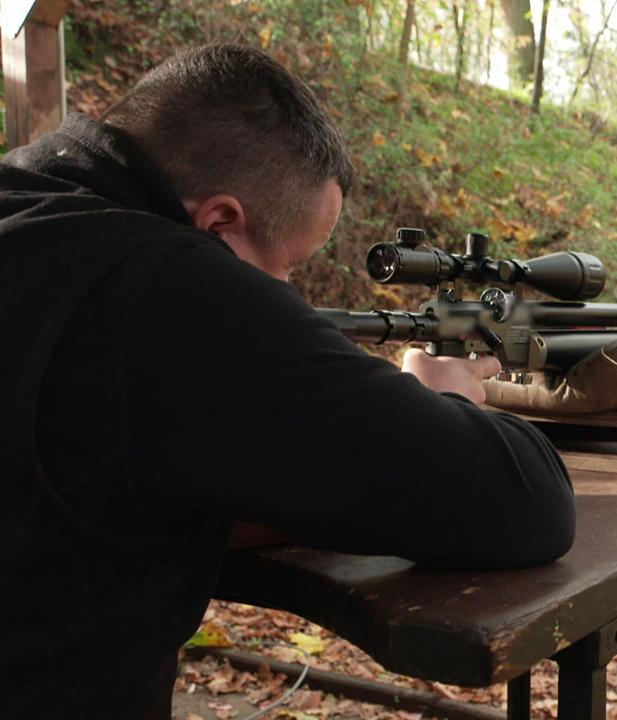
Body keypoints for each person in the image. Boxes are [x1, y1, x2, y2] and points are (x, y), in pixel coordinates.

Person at [0, 44, 575, 719]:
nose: (287, 299)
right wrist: (442, 398)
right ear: (219, 222)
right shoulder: (171, 293)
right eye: (289, 270)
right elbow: (525, 502)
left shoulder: (32, 204)